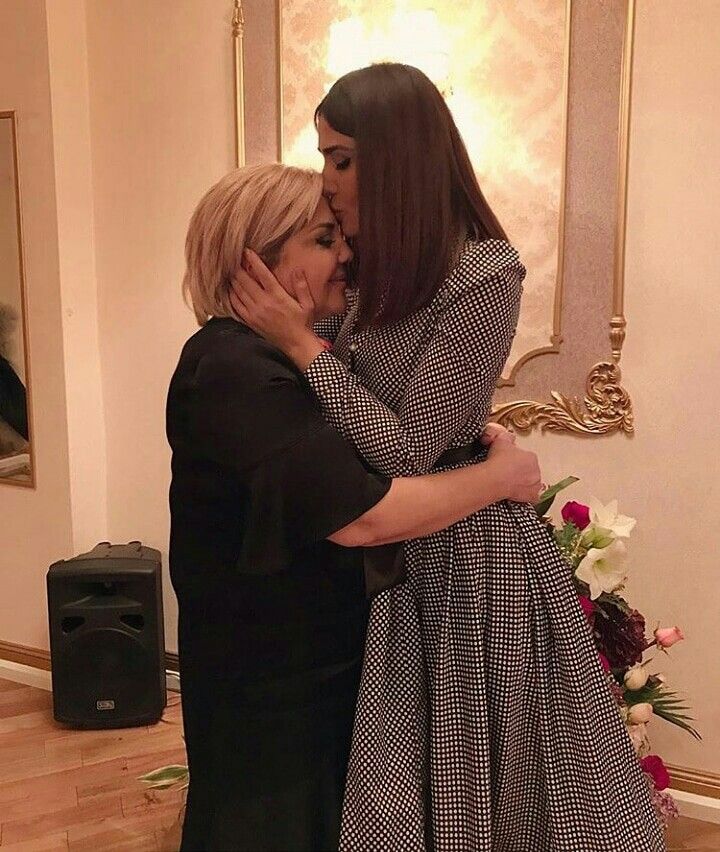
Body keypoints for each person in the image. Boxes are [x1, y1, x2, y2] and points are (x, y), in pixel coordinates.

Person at [231, 65, 665, 851]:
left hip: (467, 559)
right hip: (393, 546)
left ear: (396, 155)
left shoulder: (483, 272)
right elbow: (345, 398)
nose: (325, 181)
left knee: (478, 781)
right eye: (324, 156)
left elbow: (407, 448)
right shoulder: (367, 270)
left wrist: (300, 346)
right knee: (396, 781)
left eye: (341, 158)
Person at [167, 162, 543, 852]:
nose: (346, 255)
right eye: (321, 238)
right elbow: (365, 515)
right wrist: (503, 477)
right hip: (269, 688)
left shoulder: (286, 360)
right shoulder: (231, 369)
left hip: (311, 672)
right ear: (256, 258)